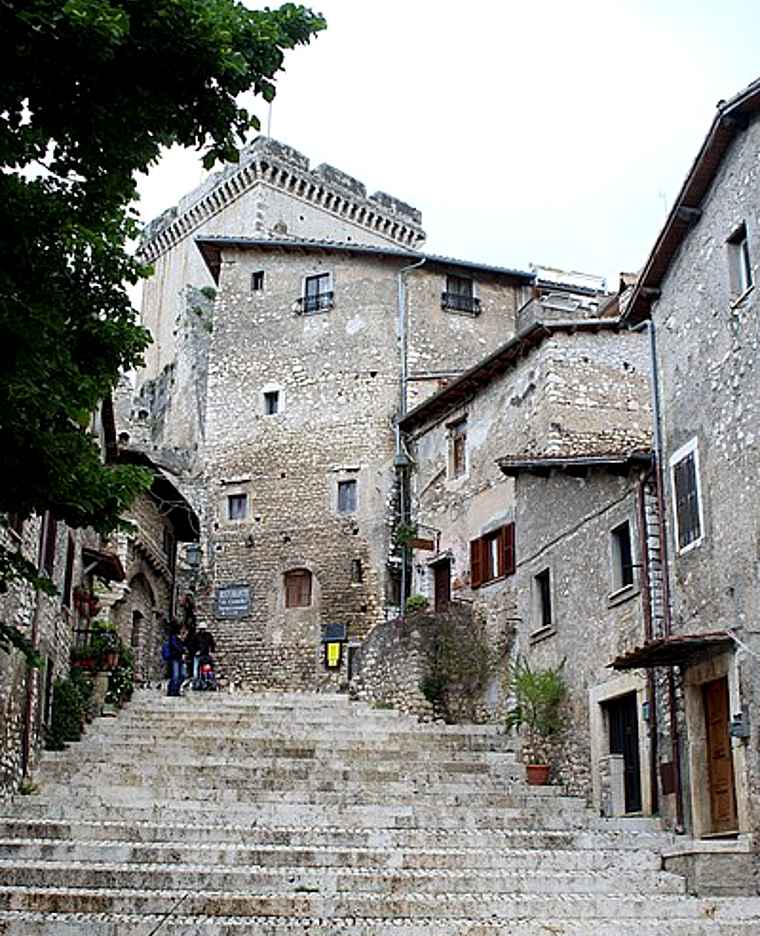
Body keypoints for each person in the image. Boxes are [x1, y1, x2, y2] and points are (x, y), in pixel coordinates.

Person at [192, 623, 216, 688]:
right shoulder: (196, 636)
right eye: (201, 629)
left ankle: (208, 682)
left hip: (206, 655)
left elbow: (212, 644)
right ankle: (196, 684)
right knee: (195, 672)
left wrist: (212, 652)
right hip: (198, 656)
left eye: (204, 629)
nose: (203, 630)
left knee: (208, 670)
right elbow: (192, 645)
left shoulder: (208, 636)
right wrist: (195, 652)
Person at [165, 621, 186, 697]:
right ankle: (172, 691)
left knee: (183, 675)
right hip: (174, 659)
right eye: (182, 628)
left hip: (180, 659)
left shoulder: (181, 638)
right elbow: (175, 647)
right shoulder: (173, 637)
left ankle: (175, 689)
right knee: (175, 676)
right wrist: (182, 650)